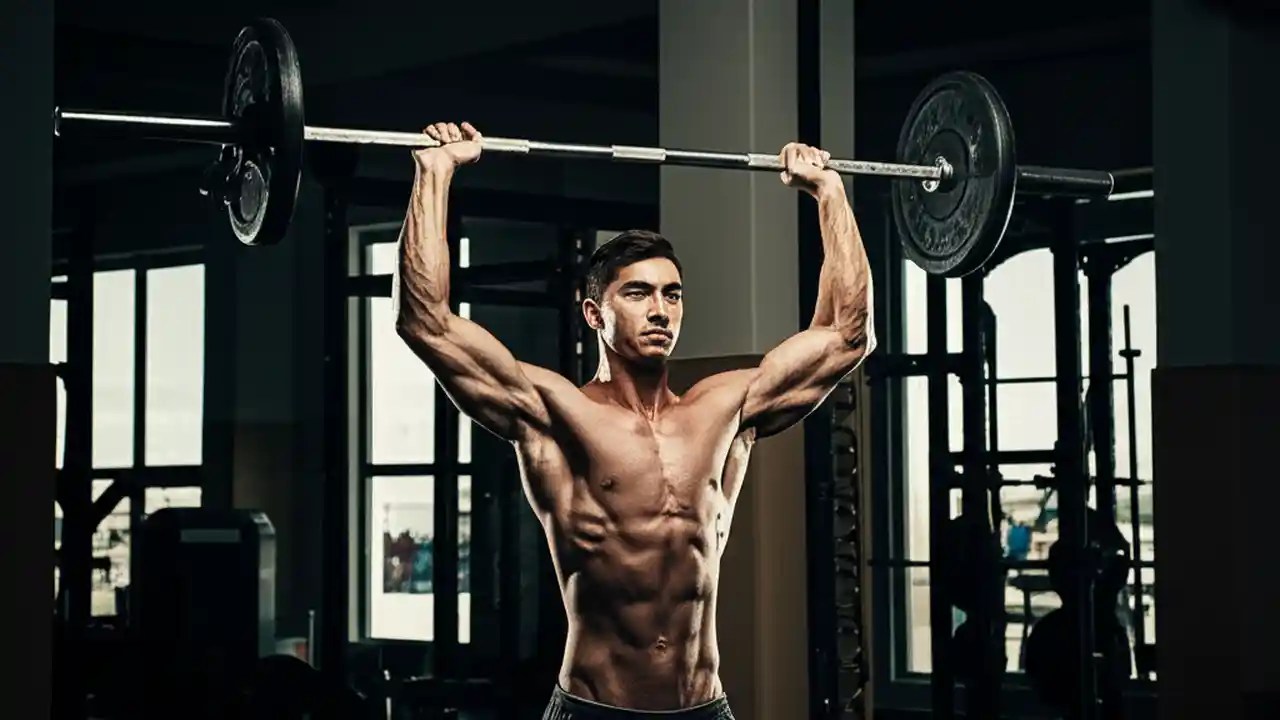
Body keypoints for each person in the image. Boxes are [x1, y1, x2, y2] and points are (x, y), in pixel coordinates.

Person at [395, 121, 876, 720]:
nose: (660, 310)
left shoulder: (725, 410)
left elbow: (846, 336)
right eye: (639, 293)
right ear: (595, 313)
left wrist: (829, 191)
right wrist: (435, 174)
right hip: (596, 708)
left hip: (705, 707)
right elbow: (426, 323)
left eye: (672, 295)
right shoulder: (555, 414)